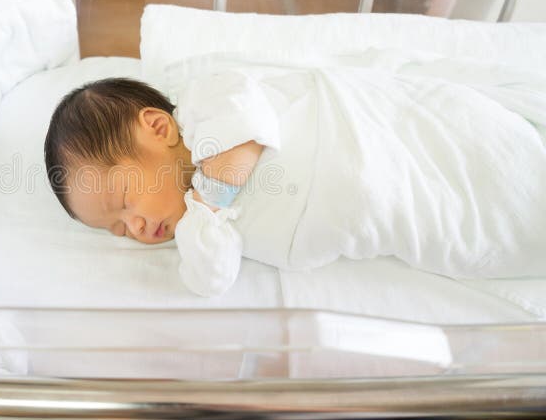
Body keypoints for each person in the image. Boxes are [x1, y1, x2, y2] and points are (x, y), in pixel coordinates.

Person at [44, 55, 546, 297]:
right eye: (116, 229)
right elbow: (210, 281)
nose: (133, 227)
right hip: (397, 212)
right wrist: (203, 232)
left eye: (124, 198)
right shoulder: (204, 230)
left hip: (372, 140)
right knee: (495, 231)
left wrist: (209, 200)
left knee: (504, 171)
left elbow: (246, 116)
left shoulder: (206, 105)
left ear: (158, 127)